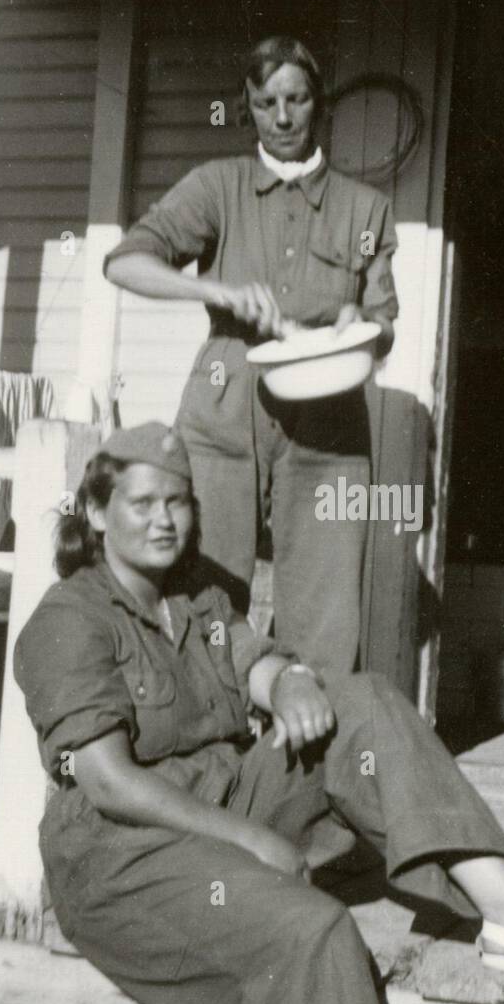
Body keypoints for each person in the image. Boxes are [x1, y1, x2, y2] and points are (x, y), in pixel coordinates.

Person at [14, 422, 504, 1004]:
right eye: (142, 504)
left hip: (216, 795)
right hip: (121, 852)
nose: (164, 520)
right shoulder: (67, 620)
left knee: (362, 700)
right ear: (97, 510)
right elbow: (108, 782)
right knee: (312, 930)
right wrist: (250, 837)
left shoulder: (198, 594)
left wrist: (292, 682)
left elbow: (251, 661)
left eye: (177, 502)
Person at [103, 35, 398, 674]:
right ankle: (203, 747)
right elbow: (126, 262)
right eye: (266, 103)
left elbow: (383, 322)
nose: (283, 117)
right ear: (248, 106)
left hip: (329, 416)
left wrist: (363, 326)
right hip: (223, 402)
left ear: (318, 105)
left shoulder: (366, 207)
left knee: (324, 613)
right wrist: (216, 287)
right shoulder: (218, 186)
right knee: (198, 583)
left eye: (296, 100)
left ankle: (305, 759)